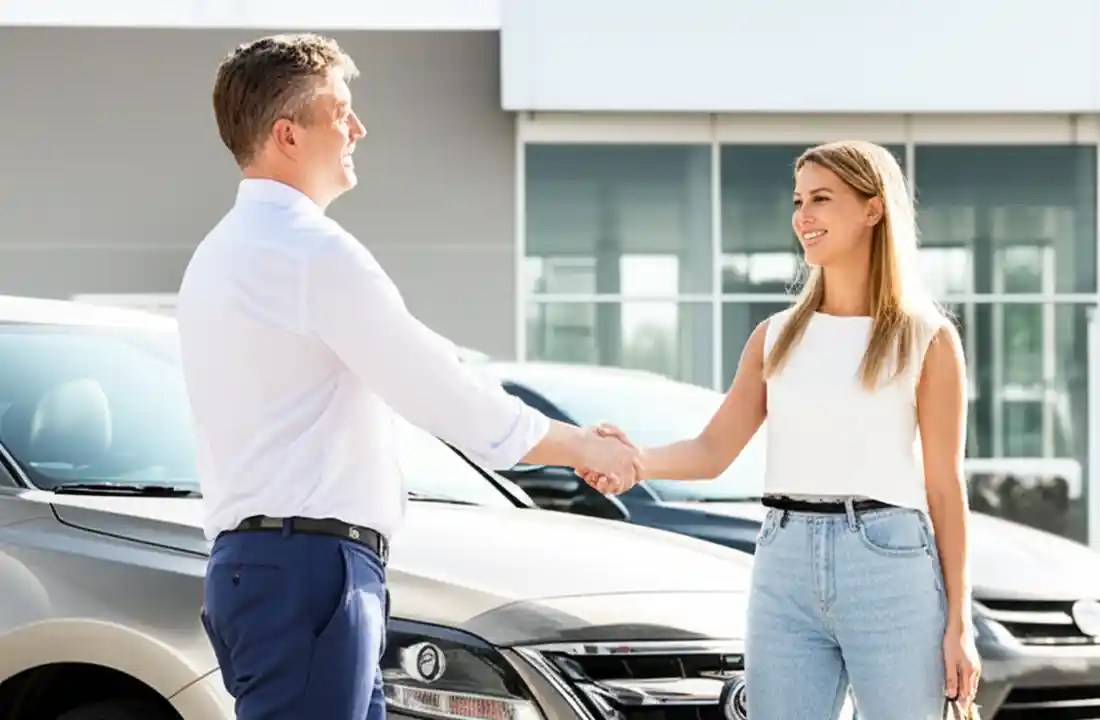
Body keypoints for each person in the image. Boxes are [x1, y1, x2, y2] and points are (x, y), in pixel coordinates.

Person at [177, 33, 639, 720]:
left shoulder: (216, 258)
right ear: (287, 135)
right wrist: (580, 449)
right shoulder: (311, 252)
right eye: (340, 111)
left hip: (265, 565)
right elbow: (438, 388)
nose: (358, 127)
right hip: (310, 569)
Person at [581, 140, 981, 718]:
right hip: (784, 560)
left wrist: (958, 623)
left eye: (822, 198)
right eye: (798, 201)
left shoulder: (927, 338)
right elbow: (713, 449)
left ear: (874, 209)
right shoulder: (776, 335)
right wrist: (636, 460)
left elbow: (945, 488)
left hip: (890, 564)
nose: (803, 217)